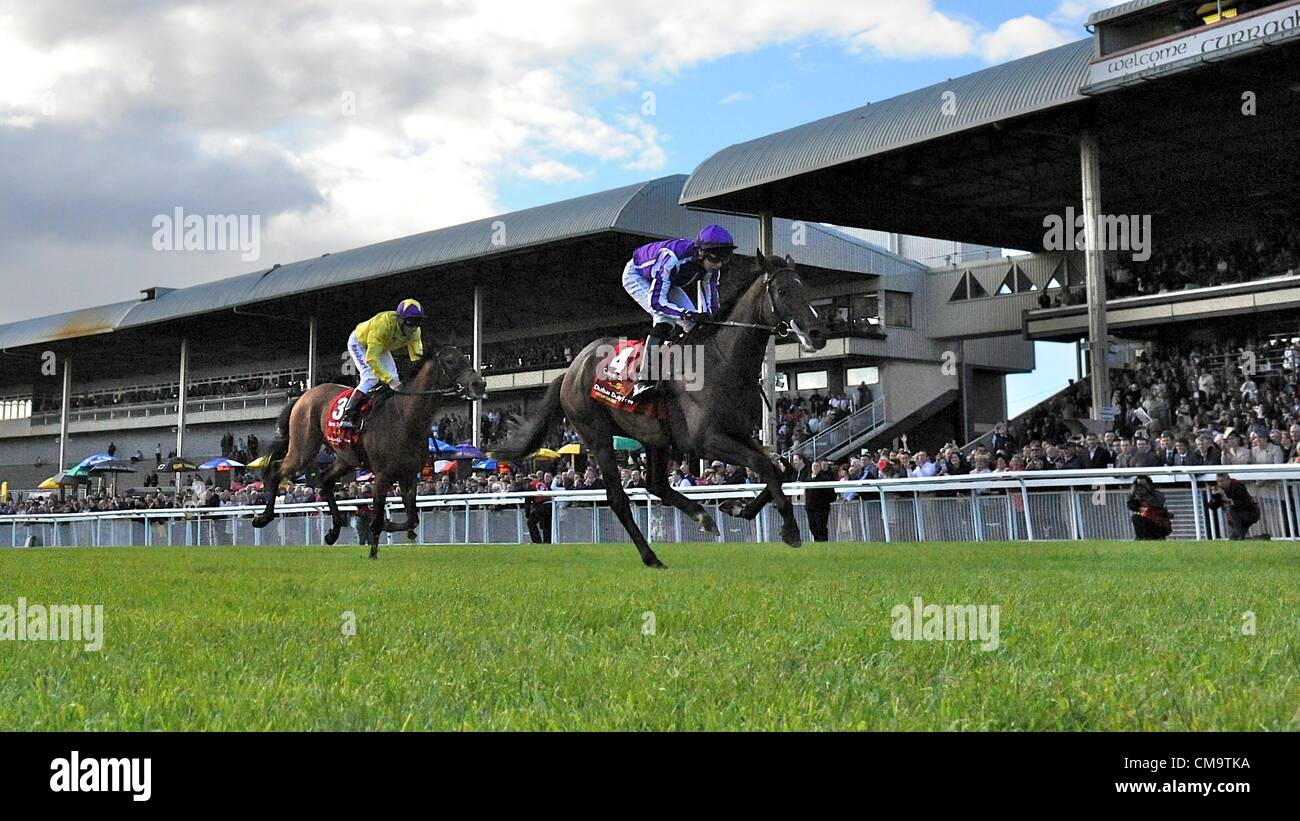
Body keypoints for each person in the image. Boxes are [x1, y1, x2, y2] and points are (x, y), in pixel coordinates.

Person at [621, 225, 736, 397]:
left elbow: (711, 303)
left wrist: (710, 319)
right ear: (702, 253)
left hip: (669, 282)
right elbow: (657, 302)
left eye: (724, 259)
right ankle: (644, 380)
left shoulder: (712, 268)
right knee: (663, 318)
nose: (718, 264)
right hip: (637, 276)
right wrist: (684, 313)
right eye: (715, 259)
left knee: (694, 326)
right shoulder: (672, 258)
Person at [339, 299, 426, 429]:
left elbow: (417, 357)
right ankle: (348, 414)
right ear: (401, 320)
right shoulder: (383, 326)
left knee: (395, 376)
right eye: (411, 323)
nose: (414, 328)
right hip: (359, 343)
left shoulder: (415, 331)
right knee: (370, 377)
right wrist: (389, 381)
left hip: (381, 346)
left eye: (418, 323)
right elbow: (371, 358)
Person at [1207, 473, 1261, 540]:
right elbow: (1212, 507)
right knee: (1235, 538)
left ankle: (1239, 537)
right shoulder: (1219, 488)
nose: (1220, 484)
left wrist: (1224, 496)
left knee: (1232, 513)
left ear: (1228, 479)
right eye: (1218, 481)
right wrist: (1214, 497)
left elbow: (1243, 504)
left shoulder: (1238, 486)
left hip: (1250, 513)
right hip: (1236, 518)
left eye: (1222, 481)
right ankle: (1260, 538)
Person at [1127, 476, 1172, 540]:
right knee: (1135, 518)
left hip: (1158, 526)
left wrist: (1147, 492)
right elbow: (1131, 505)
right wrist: (1134, 492)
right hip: (1146, 523)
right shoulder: (1137, 498)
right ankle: (1141, 538)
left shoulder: (1157, 494)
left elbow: (1158, 503)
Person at [804, 458, 837, 542]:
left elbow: (831, 494)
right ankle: (817, 541)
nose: (815, 468)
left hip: (822, 508)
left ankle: (823, 542)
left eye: (817, 466)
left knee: (821, 527)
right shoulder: (807, 479)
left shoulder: (825, 478)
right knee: (812, 526)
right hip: (810, 507)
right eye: (814, 466)